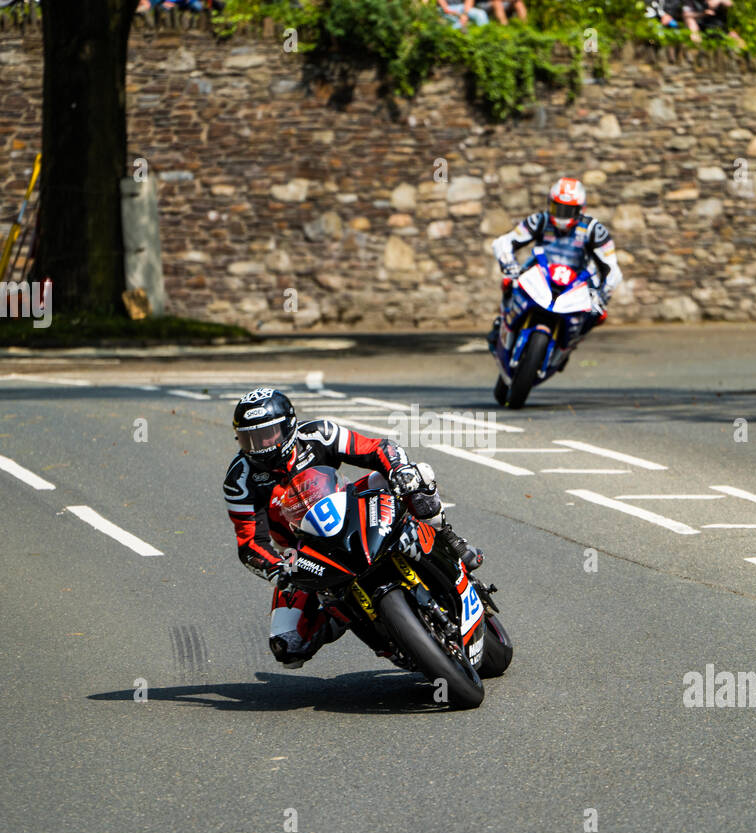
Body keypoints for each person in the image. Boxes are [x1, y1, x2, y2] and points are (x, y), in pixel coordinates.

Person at [225, 387, 483, 668]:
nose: (259, 446)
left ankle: (451, 539)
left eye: (266, 435)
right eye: (249, 439)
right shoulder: (239, 479)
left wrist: (399, 469)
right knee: (288, 646)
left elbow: (376, 448)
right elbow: (250, 542)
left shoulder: (318, 434)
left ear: (288, 427)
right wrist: (277, 569)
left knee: (418, 474)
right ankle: (346, 614)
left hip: (351, 508)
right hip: (304, 552)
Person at [486, 177, 623, 362]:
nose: (561, 215)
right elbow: (504, 242)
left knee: (598, 314)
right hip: (539, 277)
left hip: (575, 285)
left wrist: (603, 294)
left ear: (580, 210)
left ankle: (569, 345)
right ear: (549, 204)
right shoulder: (539, 220)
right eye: (557, 208)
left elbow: (612, 268)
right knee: (509, 283)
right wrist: (509, 263)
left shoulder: (594, 230)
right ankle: (501, 324)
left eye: (568, 210)